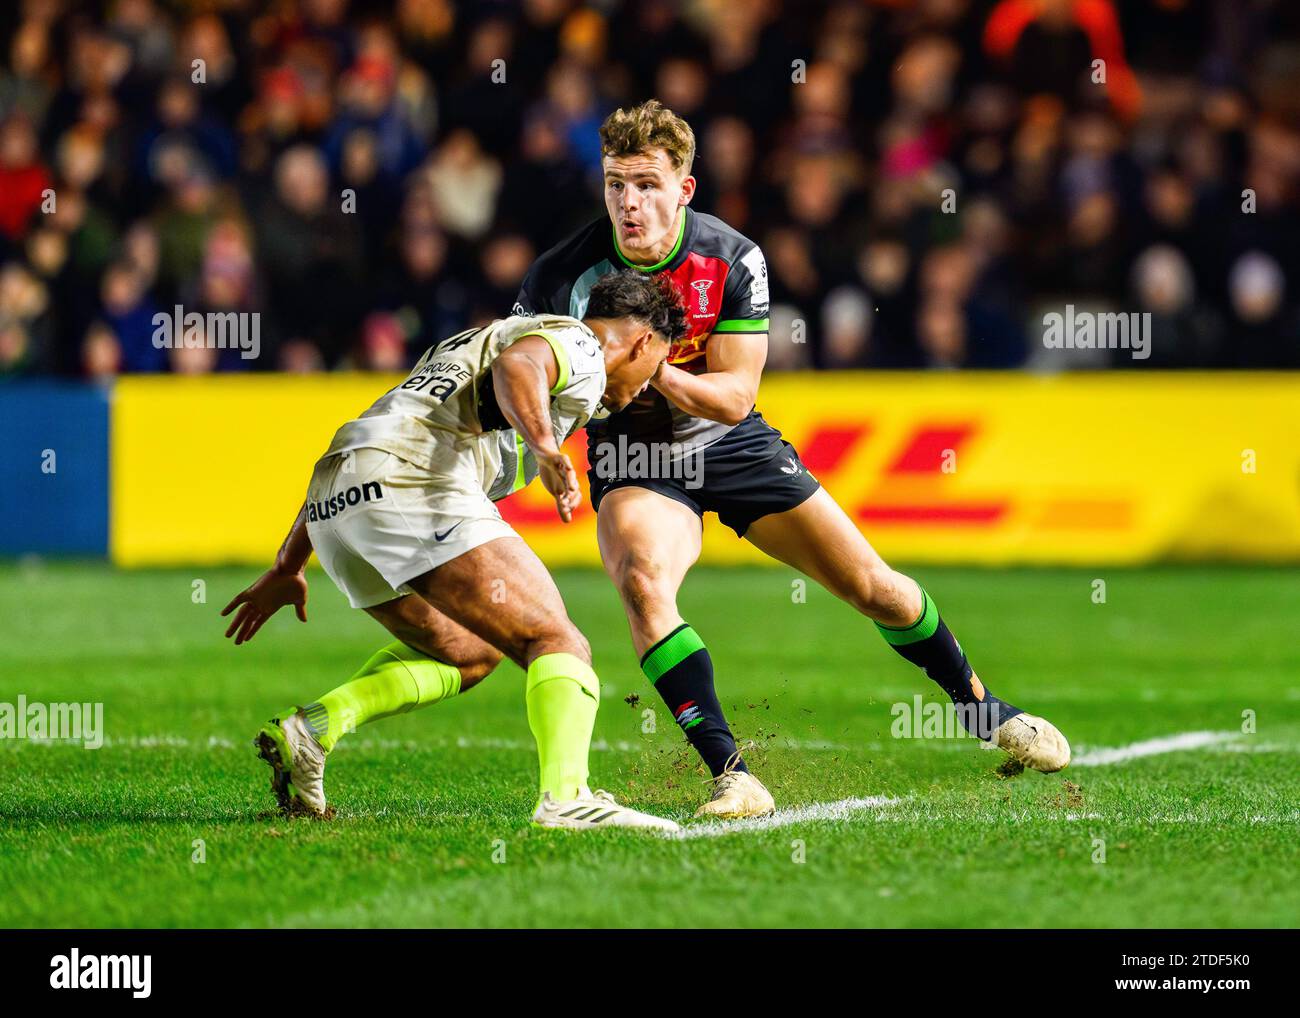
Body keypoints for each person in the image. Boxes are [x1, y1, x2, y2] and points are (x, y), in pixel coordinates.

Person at [515, 101, 1070, 819]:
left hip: (728, 440)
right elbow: (522, 366)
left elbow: (737, 395)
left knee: (879, 590)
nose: (629, 203)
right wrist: (540, 442)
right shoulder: (562, 275)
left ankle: (981, 708)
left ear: (684, 189)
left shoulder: (732, 256)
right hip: (634, 452)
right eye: (616, 184)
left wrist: (650, 367)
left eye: (647, 185)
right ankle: (734, 775)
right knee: (644, 585)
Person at [221, 269, 686, 831]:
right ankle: (567, 798)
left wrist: (287, 565)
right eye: (656, 366)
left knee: (469, 652)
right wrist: (544, 447)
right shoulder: (581, 346)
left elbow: (370, 436)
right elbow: (522, 369)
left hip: (335, 502)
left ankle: (314, 730)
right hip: (409, 483)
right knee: (556, 638)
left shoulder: (468, 342)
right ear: (642, 342)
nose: (646, 383)